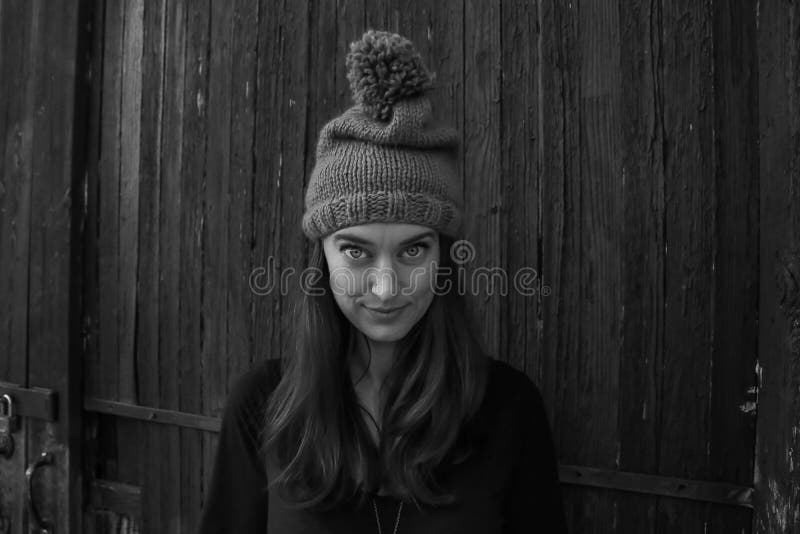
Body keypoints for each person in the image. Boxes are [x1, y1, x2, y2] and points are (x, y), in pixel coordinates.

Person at [199, 29, 568, 534]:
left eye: (414, 249)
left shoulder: (508, 408)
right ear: (321, 258)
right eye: (356, 250)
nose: (386, 287)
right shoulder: (263, 406)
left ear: (443, 257)